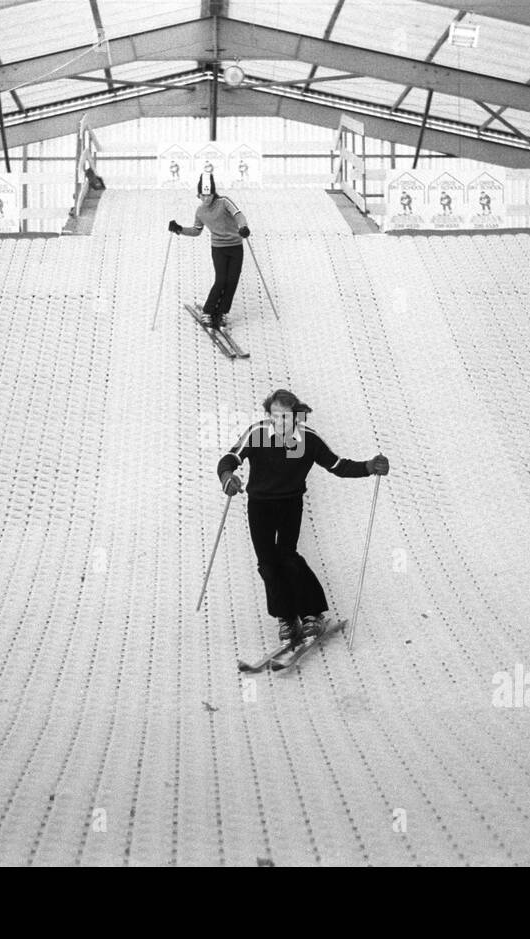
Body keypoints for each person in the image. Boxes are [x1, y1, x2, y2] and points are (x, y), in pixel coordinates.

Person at [217, 389, 388, 650]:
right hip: (259, 505)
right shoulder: (258, 434)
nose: (280, 422)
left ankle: (312, 614)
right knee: (267, 562)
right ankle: (286, 617)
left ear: (296, 416)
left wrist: (368, 466)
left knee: (287, 556)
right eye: (275, 416)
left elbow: (338, 466)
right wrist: (227, 476)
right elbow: (230, 458)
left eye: (286, 416)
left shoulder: (308, 439)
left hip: (290, 503)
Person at [167, 173, 250, 330]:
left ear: (214, 193)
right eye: (203, 195)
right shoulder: (200, 211)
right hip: (218, 249)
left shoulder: (224, 202)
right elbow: (196, 230)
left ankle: (222, 312)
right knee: (221, 280)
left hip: (235, 247)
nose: (206, 198)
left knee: (232, 281)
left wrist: (243, 227)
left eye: (209, 194)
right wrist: (179, 229)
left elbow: (238, 215)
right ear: (199, 194)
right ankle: (208, 311)